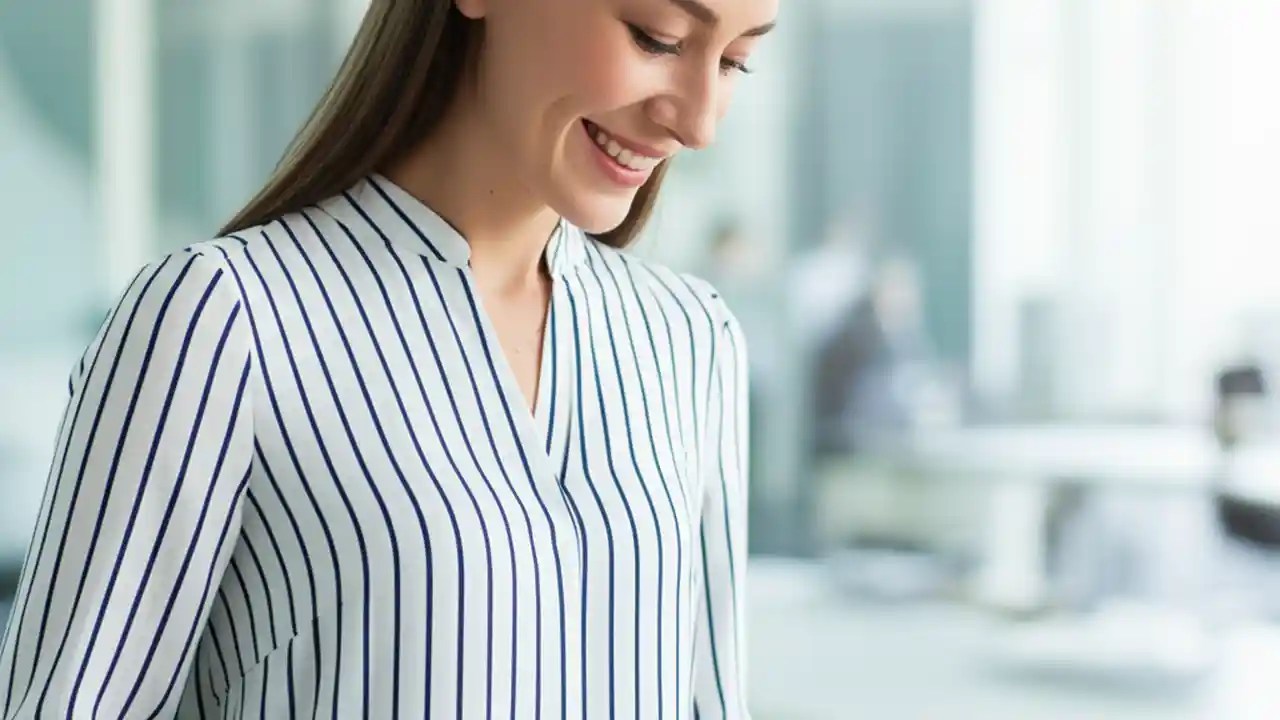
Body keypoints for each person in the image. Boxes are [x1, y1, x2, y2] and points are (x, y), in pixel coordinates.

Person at [0, 0, 776, 716]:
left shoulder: (690, 341)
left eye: (735, 62)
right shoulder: (222, 321)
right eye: (657, 37)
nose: (700, 122)